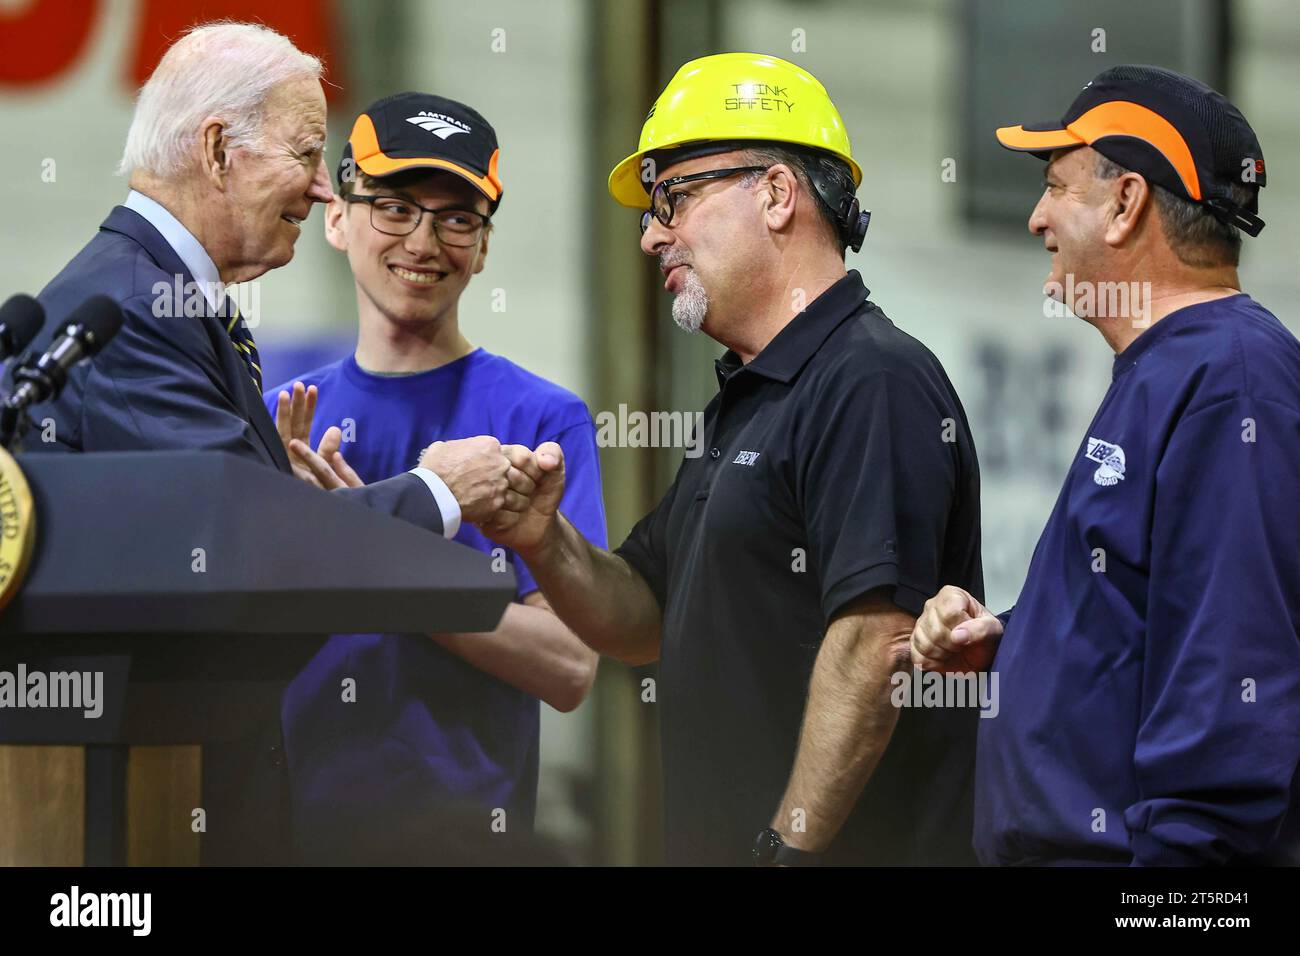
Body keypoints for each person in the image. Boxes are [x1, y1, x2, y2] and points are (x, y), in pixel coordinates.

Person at [16, 22, 534, 863]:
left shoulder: (165, 297)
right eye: (305, 154)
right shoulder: (135, 309)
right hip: (148, 809)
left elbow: (202, 527)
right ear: (218, 149)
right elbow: (234, 552)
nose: (325, 192)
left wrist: (277, 495)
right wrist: (440, 490)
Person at [479, 53, 984, 865]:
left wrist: (788, 847)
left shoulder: (872, 381)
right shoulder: (752, 397)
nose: (651, 235)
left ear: (778, 195)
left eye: (674, 197)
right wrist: (545, 538)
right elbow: (642, 616)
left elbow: (874, 637)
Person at [910, 65, 1300, 865]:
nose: (1035, 218)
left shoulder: (1232, 383)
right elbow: (1144, 614)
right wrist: (1010, 643)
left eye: (1057, 187)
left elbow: (1232, 696)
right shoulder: (1179, 369)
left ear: (1126, 204)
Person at [262, 92, 606, 862]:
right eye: (393, 207)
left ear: (482, 248)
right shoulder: (276, 416)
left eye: (457, 218)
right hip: (283, 835)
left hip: (466, 841)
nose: (424, 241)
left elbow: (569, 665)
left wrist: (375, 555)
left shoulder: (541, 420)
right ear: (338, 218)